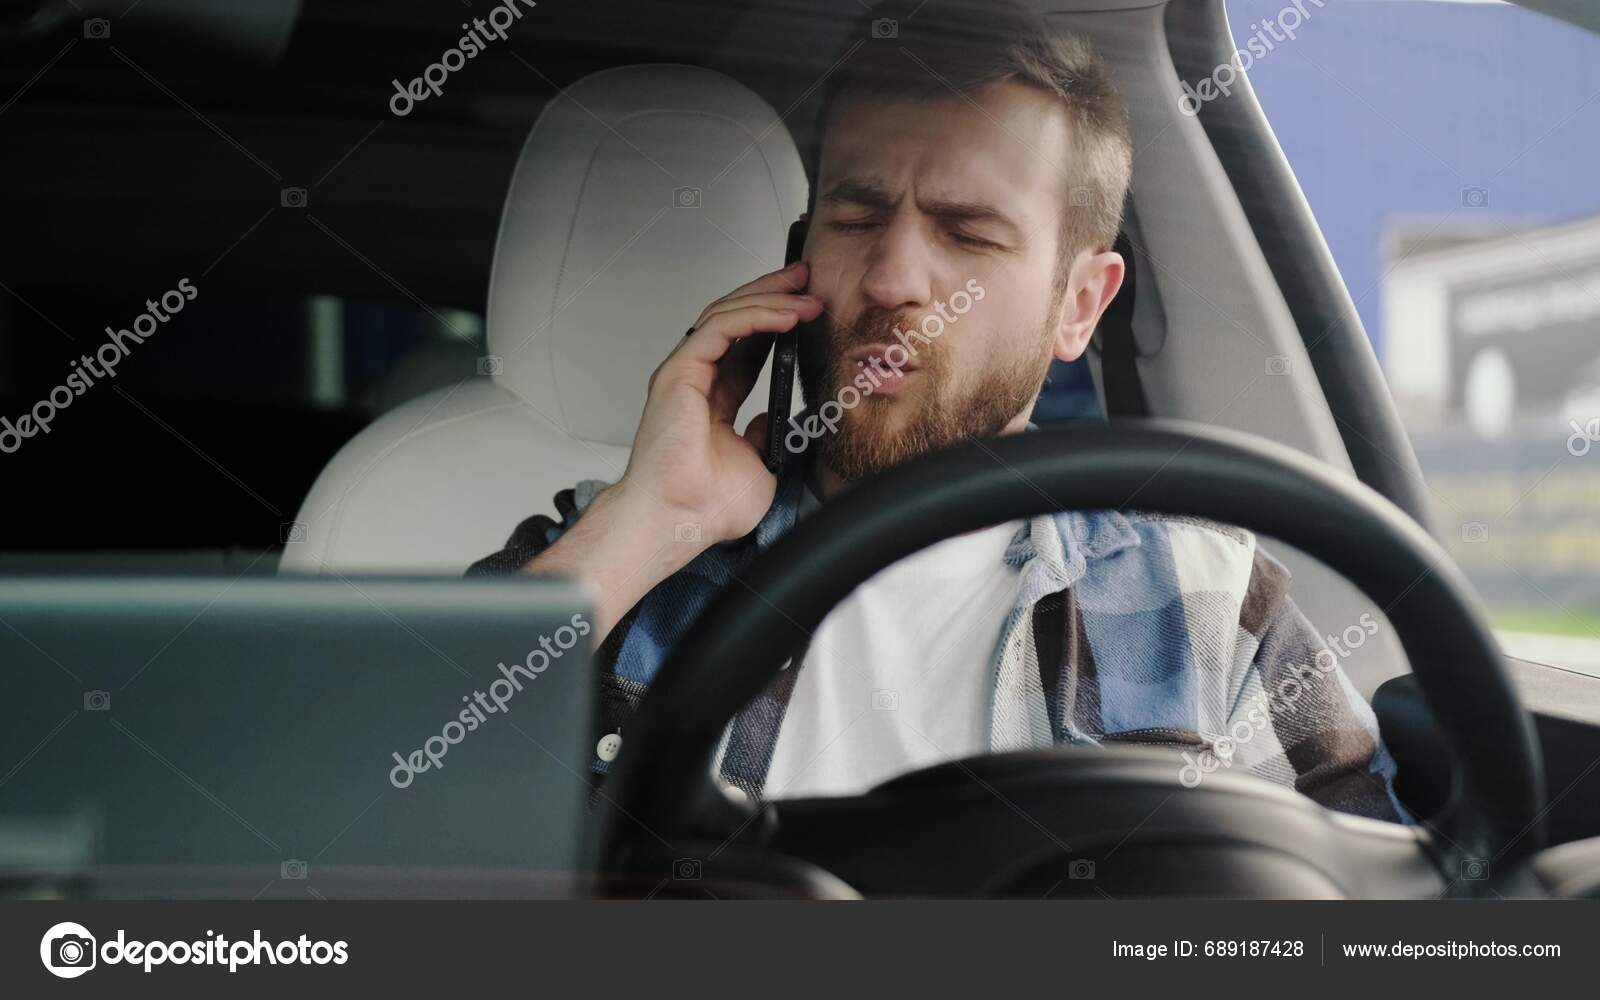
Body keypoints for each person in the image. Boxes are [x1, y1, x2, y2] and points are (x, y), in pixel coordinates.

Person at [469, 0, 1406, 821]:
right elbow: (397, 789)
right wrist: (654, 521)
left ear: (1080, 304)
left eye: (968, 234)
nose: (891, 279)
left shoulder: (1205, 604)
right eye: (856, 218)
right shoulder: (615, 560)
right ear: (799, 256)